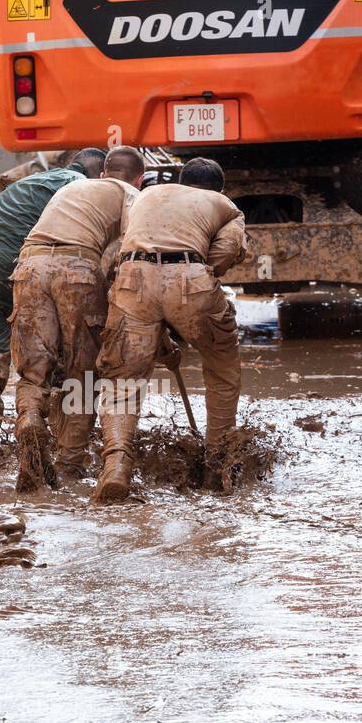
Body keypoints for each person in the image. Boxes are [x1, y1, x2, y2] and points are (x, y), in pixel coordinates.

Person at [92, 157, 247, 503]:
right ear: (217, 189)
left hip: (132, 277)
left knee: (122, 380)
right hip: (190, 275)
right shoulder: (225, 206)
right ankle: (216, 464)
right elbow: (225, 253)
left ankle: (116, 466)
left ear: (180, 180)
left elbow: (120, 247)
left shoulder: (147, 195)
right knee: (221, 368)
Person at [11, 147, 146, 490]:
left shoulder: (70, 188)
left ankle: (29, 419)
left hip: (29, 265)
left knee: (34, 366)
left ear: (102, 174)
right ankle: (70, 465)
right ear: (139, 179)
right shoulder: (130, 194)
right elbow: (133, 250)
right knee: (80, 373)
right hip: (77, 269)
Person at [0, 147, 107, 448]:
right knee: (64, 358)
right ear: (100, 174)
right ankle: (60, 440)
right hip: (28, 273)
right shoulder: (85, 189)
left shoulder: (31, 182)